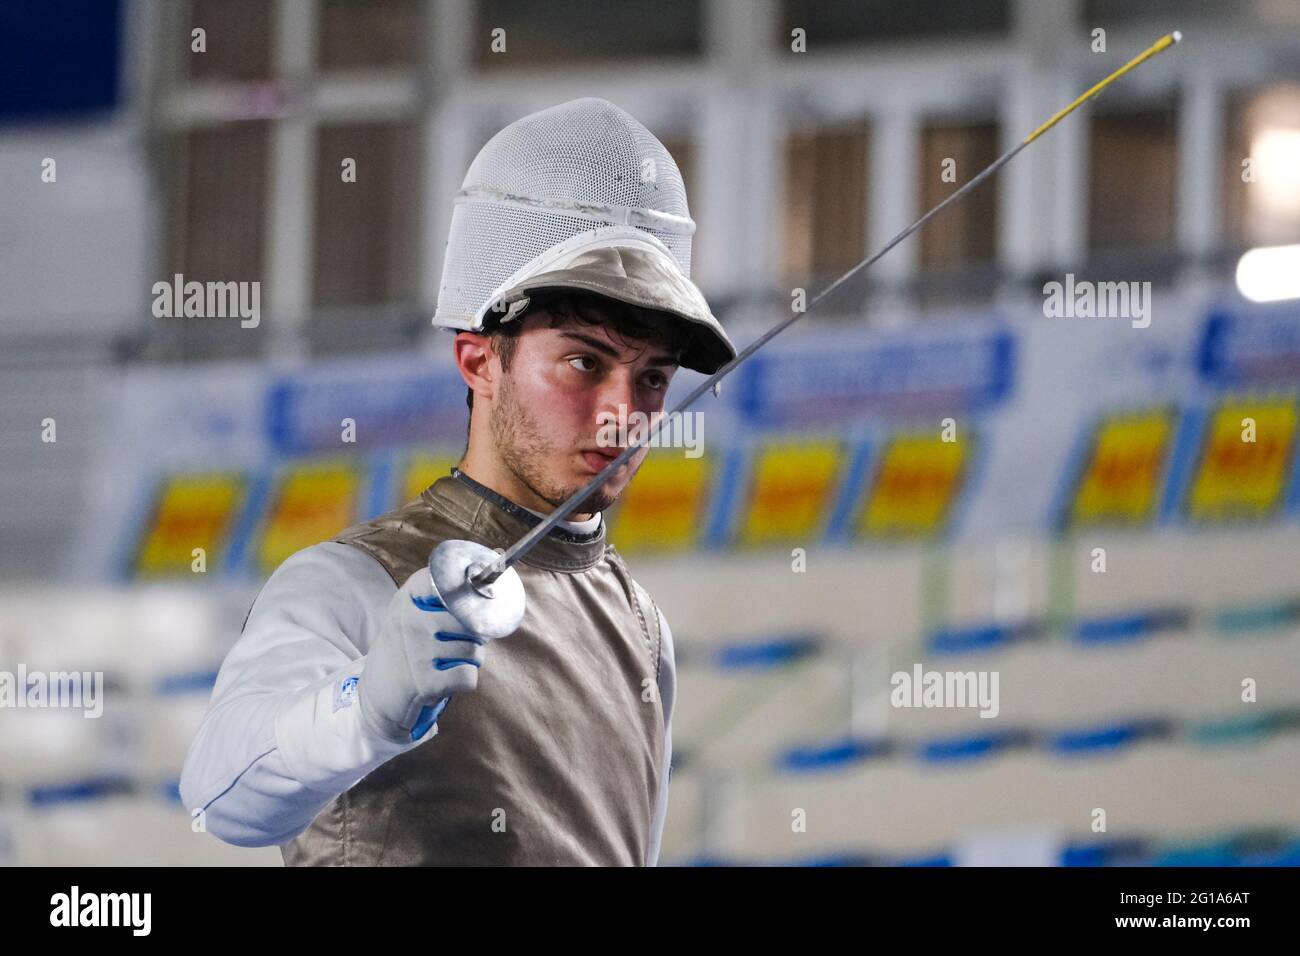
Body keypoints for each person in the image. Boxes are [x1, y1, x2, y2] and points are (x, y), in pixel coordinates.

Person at [178, 98, 736, 865]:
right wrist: (367, 707)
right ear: (480, 362)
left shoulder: (642, 627)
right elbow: (221, 796)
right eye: (585, 362)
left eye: (653, 377)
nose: (622, 413)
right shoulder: (352, 583)